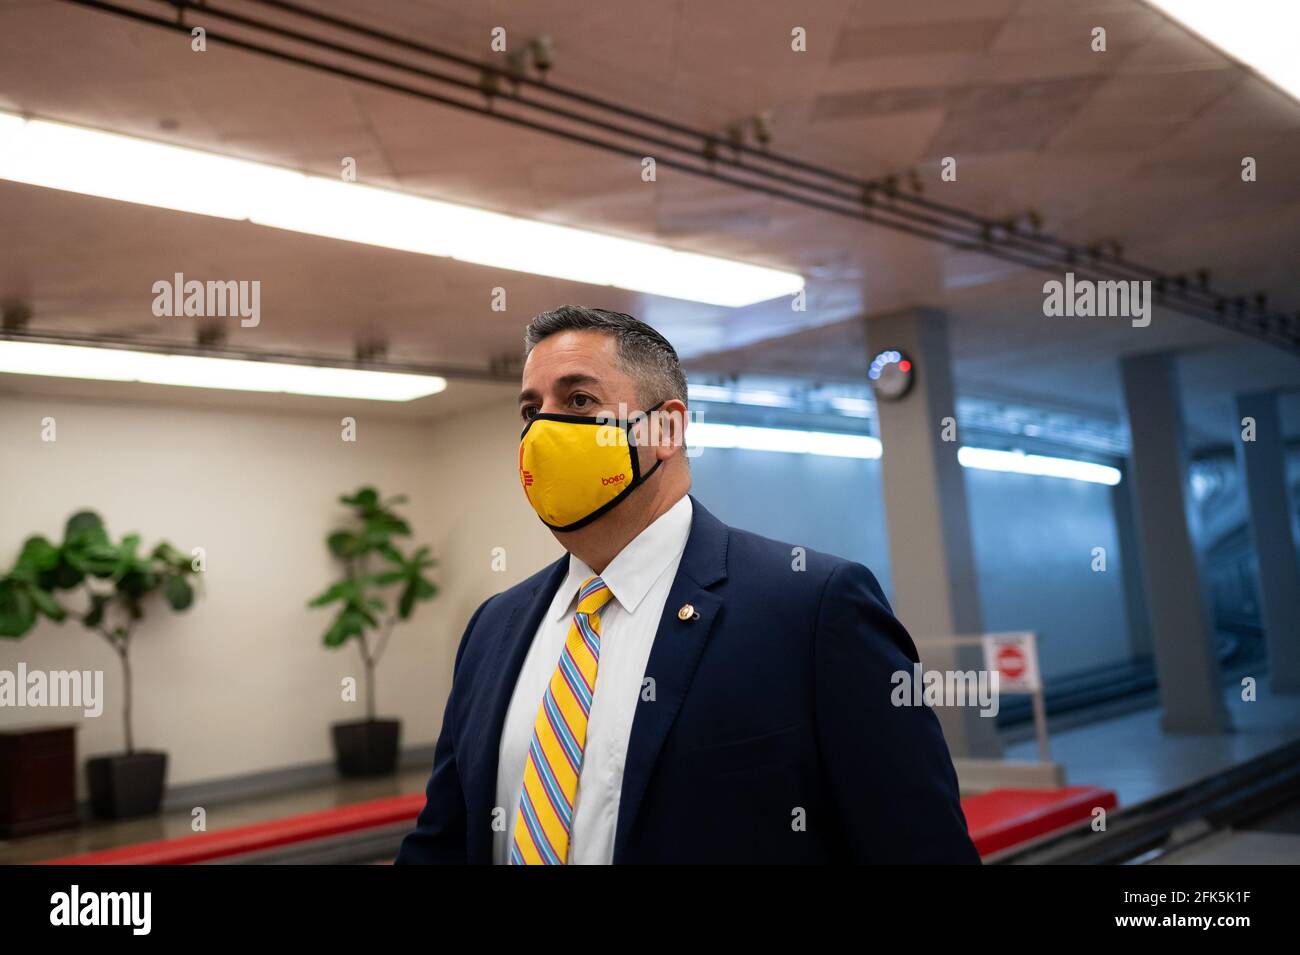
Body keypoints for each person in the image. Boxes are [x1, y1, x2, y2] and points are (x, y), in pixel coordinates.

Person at [395, 305, 980, 864]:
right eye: (530, 410)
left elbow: (917, 848)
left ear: (667, 429)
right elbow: (444, 842)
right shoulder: (494, 626)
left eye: (578, 400)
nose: (543, 431)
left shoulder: (812, 608)